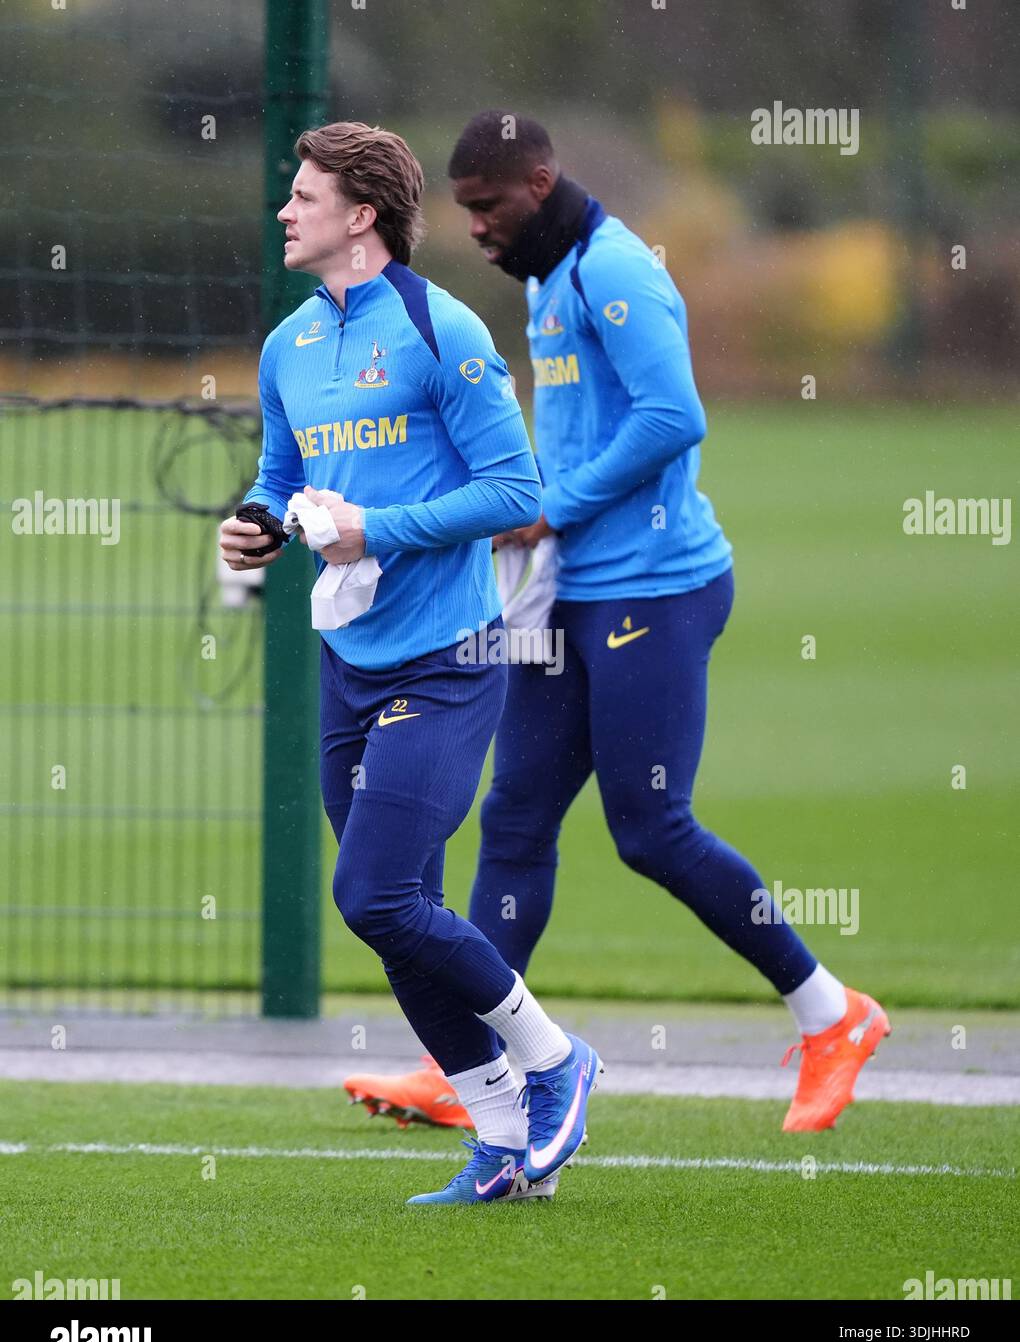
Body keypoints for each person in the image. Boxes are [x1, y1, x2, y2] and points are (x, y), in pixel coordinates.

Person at [349, 111, 889, 1138]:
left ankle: (832, 1013)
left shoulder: (615, 270)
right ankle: (474, 1064)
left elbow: (673, 416)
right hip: (575, 589)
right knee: (514, 818)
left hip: (657, 586)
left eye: (487, 207)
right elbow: (588, 427)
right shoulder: (554, 279)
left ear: (541, 180)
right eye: (463, 212)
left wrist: (555, 505)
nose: (476, 230)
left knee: (652, 829)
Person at [219, 121, 601, 1204]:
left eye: (303, 195)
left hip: (450, 658)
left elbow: (516, 496)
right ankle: (499, 1144)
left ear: (362, 214)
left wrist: (373, 531)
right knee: (403, 914)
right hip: (349, 662)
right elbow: (282, 475)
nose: (285, 211)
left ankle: (556, 1059)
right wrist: (255, 525)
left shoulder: (447, 331)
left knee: (374, 892)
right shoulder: (289, 344)